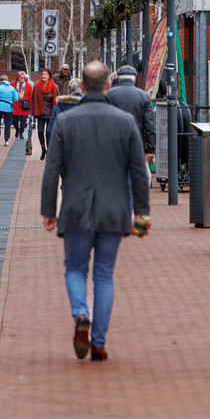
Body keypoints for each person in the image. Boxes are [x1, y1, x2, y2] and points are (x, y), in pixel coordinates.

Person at [41, 61, 150, 362]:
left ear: (83, 87)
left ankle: (80, 313)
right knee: (104, 274)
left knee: (75, 268)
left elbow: (52, 169)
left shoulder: (65, 121)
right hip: (114, 209)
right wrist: (141, 213)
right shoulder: (125, 122)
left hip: (76, 207)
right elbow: (138, 172)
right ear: (106, 86)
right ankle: (99, 342)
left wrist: (49, 209)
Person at [106, 65, 156, 167]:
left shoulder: (109, 94)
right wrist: (150, 150)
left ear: (119, 78)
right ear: (135, 78)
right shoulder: (144, 96)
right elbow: (150, 125)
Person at [31, 68, 59, 160]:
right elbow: (33, 100)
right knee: (39, 132)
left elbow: (57, 101)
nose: (44, 76)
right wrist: (31, 113)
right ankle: (43, 149)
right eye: (43, 74)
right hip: (40, 112)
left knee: (49, 133)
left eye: (46, 74)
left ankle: (48, 150)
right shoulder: (37, 86)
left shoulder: (54, 86)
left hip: (51, 113)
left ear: (49, 76)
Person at [12, 71, 33, 147]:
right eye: (21, 78)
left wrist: (31, 108)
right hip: (16, 106)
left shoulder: (28, 86)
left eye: (24, 78)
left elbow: (31, 96)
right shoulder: (13, 85)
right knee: (14, 120)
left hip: (24, 106)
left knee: (23, 121)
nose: (23, 79)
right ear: (18, 78)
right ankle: (17, 130)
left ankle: (21, 133)